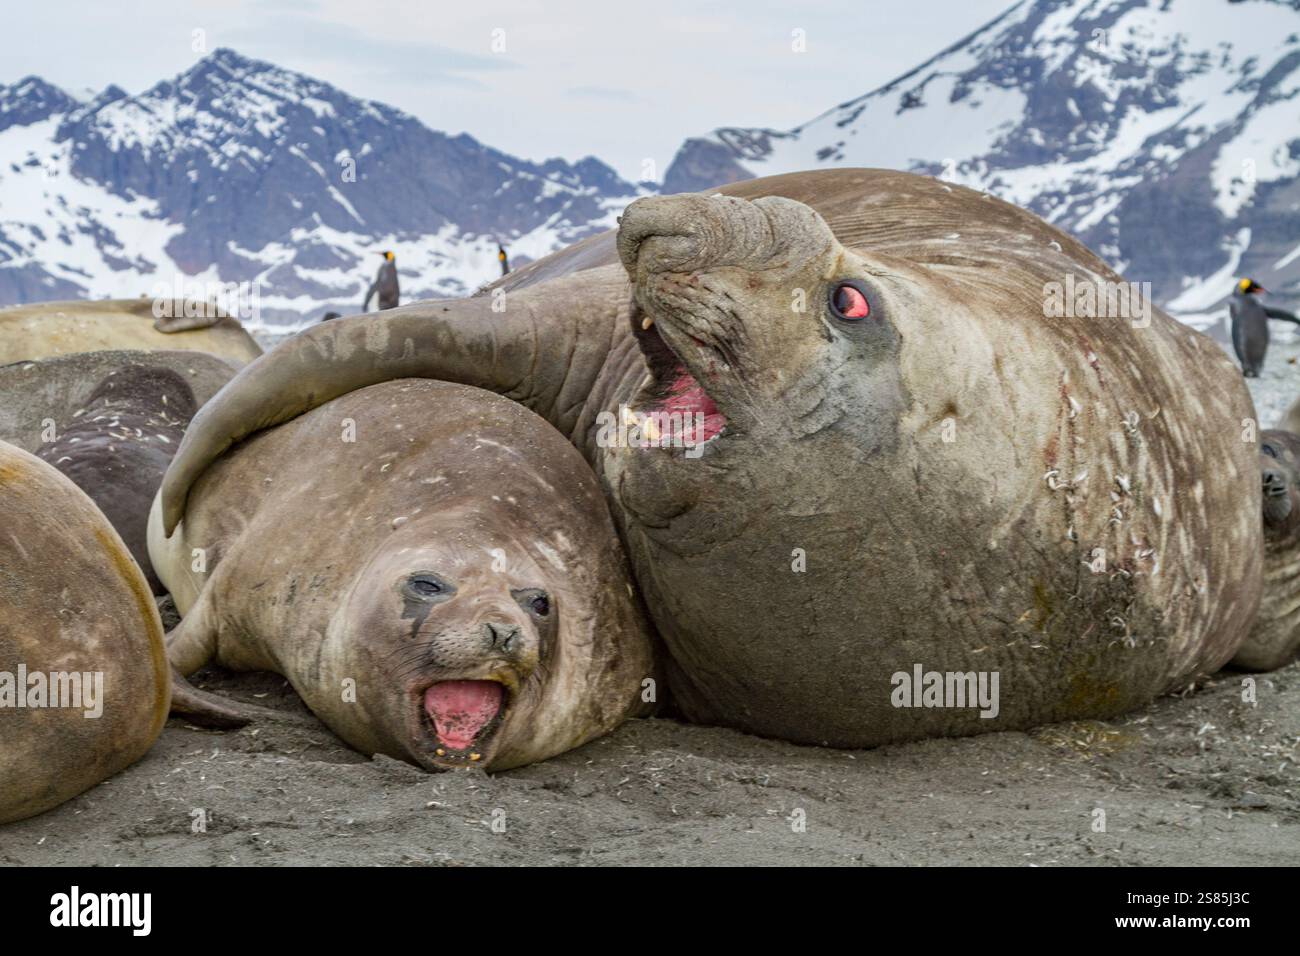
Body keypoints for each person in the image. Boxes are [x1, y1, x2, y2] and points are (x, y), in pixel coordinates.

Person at [1230, 277, 1299, 377]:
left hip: (1252, 354)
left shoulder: (1243, 305)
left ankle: (1249, 366)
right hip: (1251, 352)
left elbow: (1235, 331)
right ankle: (1249, 366)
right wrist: (1296, 320)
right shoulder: (1249, 306)